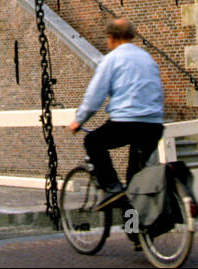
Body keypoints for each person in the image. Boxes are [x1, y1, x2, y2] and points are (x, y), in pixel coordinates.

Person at [68, 18, 165, 207]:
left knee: (93, 142)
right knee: (133, 182)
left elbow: (94, 97)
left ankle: (112, 187)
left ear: (112, 38)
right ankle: (137, 231)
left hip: (127, 123)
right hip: (154, 126)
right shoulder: (147, 58)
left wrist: (78, 121)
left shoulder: (112, 60)